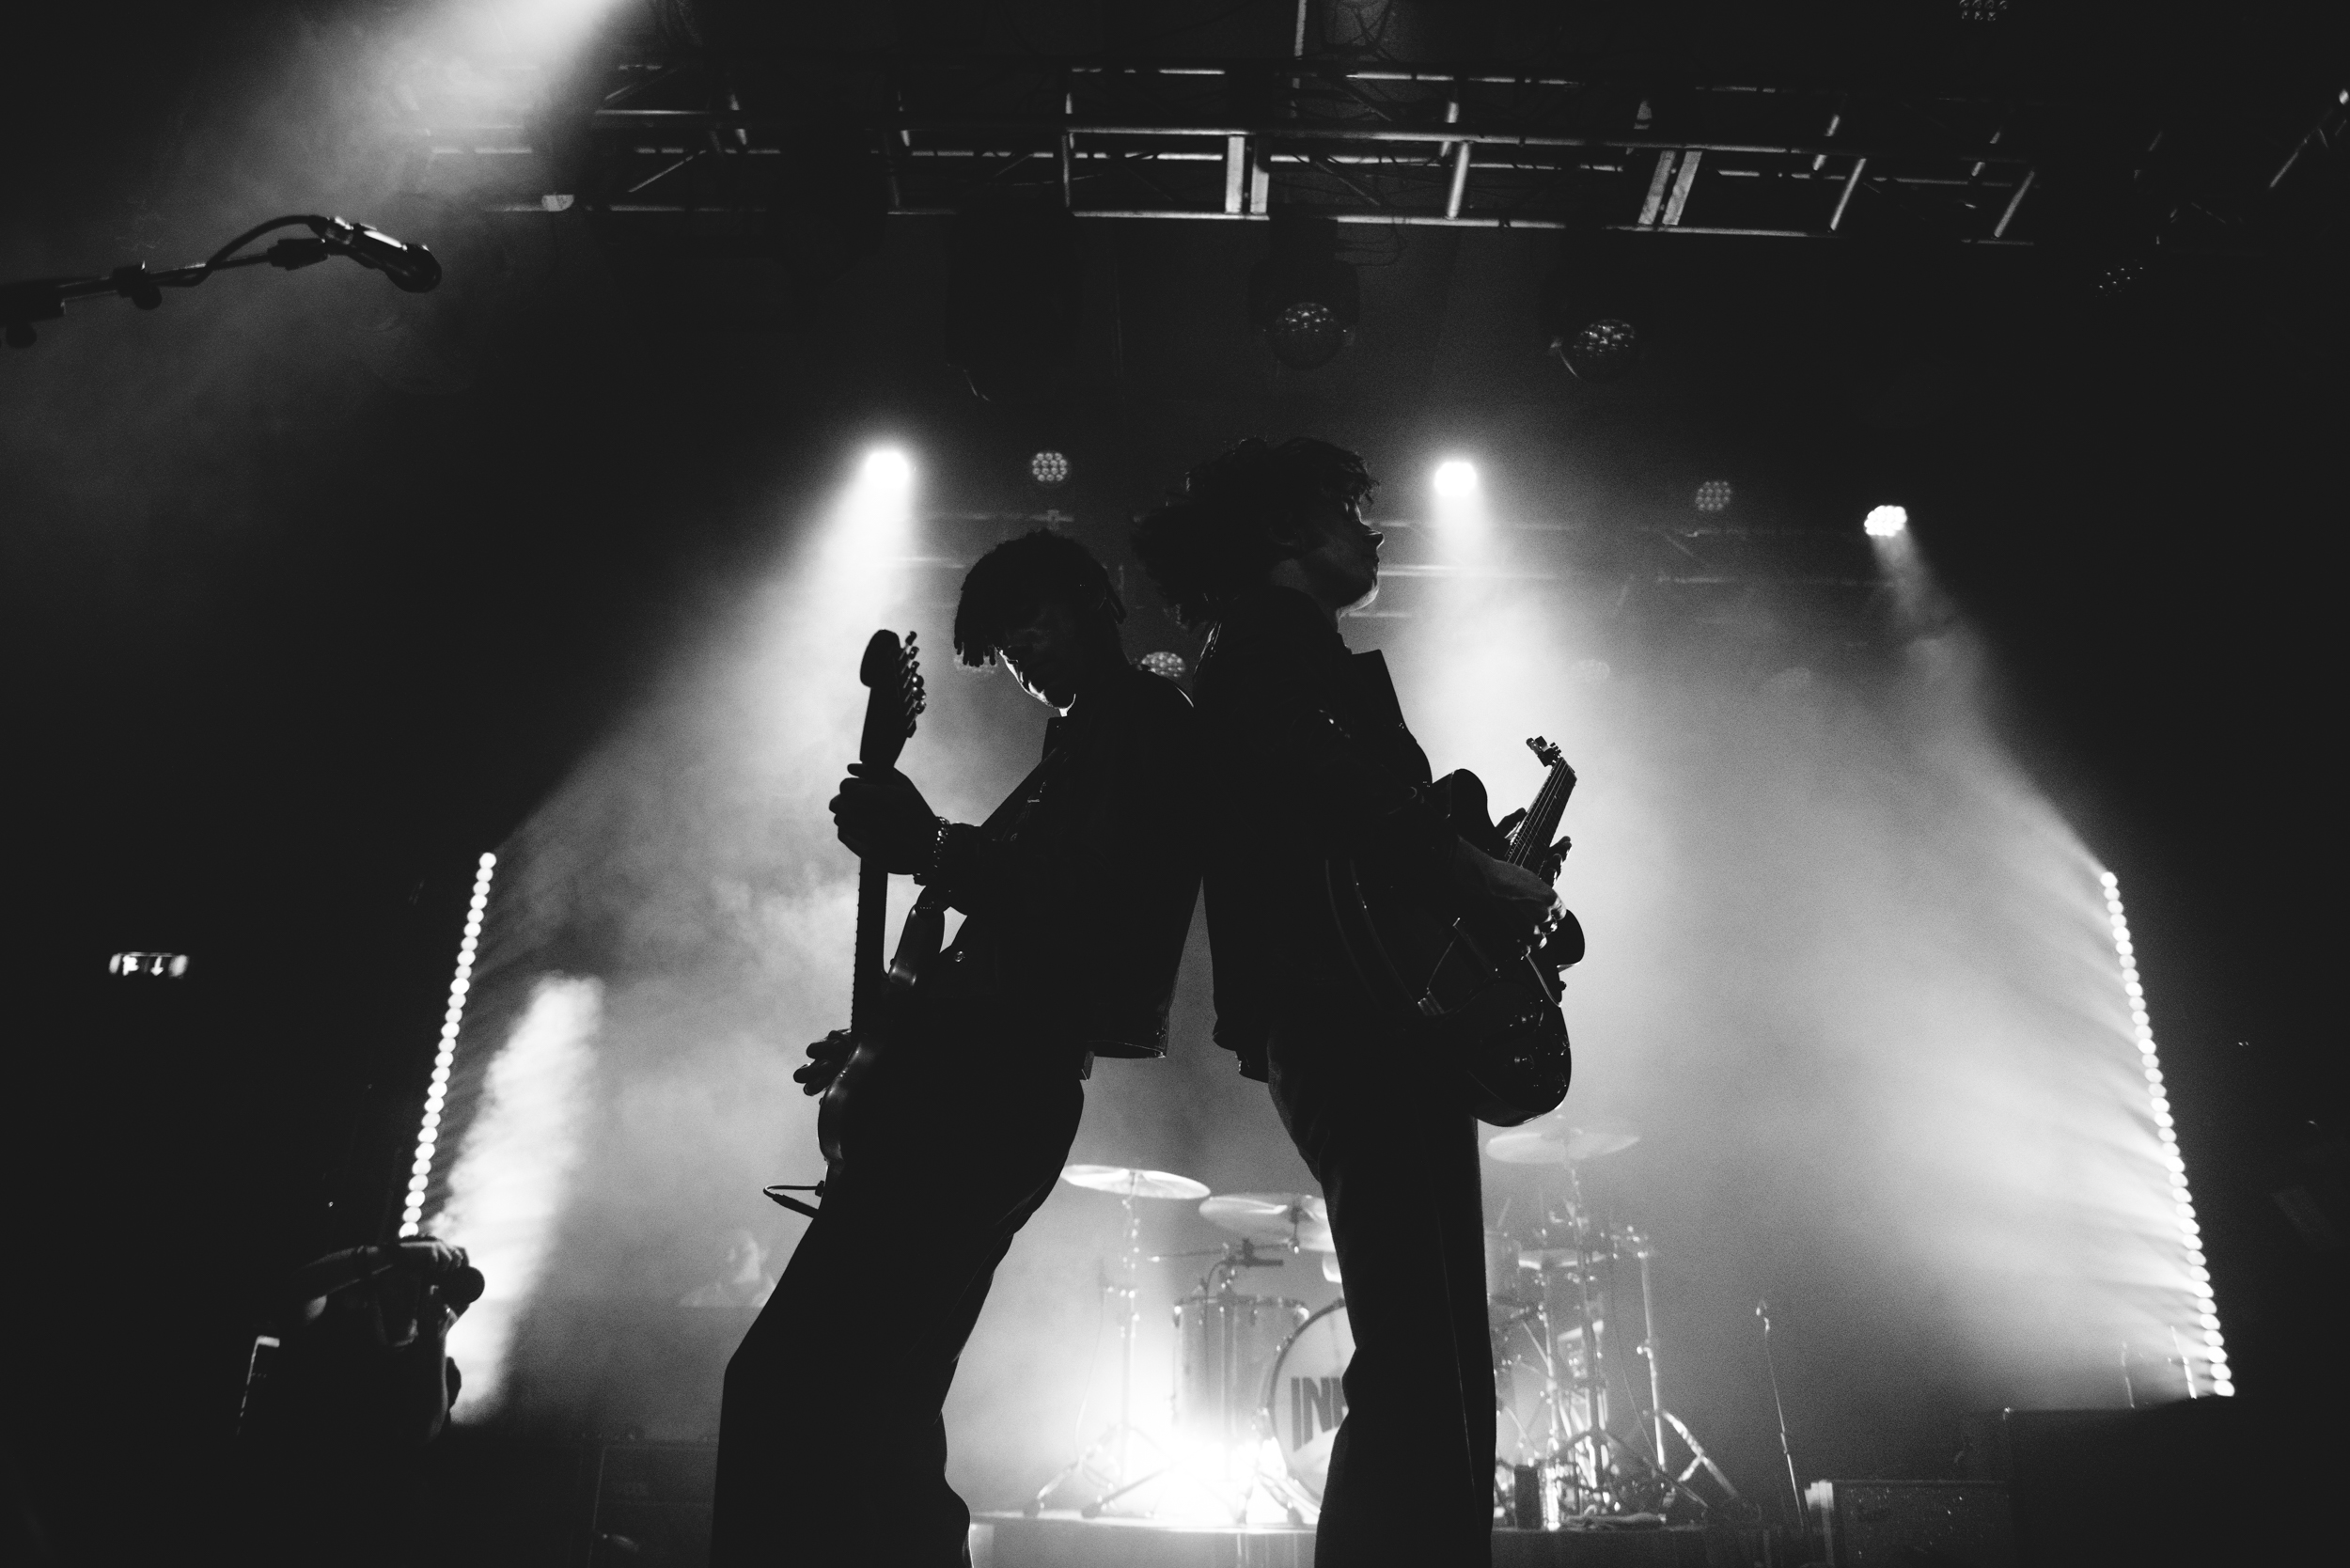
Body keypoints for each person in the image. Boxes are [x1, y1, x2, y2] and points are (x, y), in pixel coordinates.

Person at [711, 530, 1201, 1567]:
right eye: (1004, 643)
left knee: (795, 1388)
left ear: (1092, 604)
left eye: (1034, 620)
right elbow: (1024, 953)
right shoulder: (1073, 750)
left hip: (985, 1108)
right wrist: (882, 1038)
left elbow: (1091, 920)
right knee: (874, 1411)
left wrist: (932, 845)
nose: (1023, 654)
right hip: (971, 1092)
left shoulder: (1144, 724)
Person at [1133, 438, 1558, 1567]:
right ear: (1284, 533)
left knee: (1441, 1355)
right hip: (1350, 1023)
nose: (1372, 531)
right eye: (1347, 510)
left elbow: (1361, 829)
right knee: (1423, 1358)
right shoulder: (1264, 651)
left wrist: (1472, 874)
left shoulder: (1294, 655)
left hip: (1374, 1021)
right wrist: (1473, 875)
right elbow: (1326, 793)